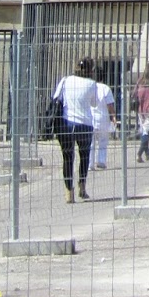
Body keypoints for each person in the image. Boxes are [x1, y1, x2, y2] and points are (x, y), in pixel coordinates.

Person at [53, 57, 99, 203]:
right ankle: (82, 186)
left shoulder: (66, 80)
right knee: (84, 156)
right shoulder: (92, 84)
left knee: (67, 158)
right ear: (91, 70)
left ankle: (68, 192)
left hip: (66, 122)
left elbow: (55, 97)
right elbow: (94, 103)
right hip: (84, 123)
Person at [90, 73, 116, 168]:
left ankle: (90, 163)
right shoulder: (105, 88)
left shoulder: (90, 87)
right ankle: (101, 161)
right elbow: (110, 105)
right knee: (103, 140)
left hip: (91, 117)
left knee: (90, 142)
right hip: (103, 117)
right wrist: (113, 116)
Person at [135, 60, 149, 162]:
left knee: (145, 130)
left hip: (141, 109)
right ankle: (139, 153)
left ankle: (147, 152)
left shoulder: (140, 80)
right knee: (147, 132)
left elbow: (134, 93)